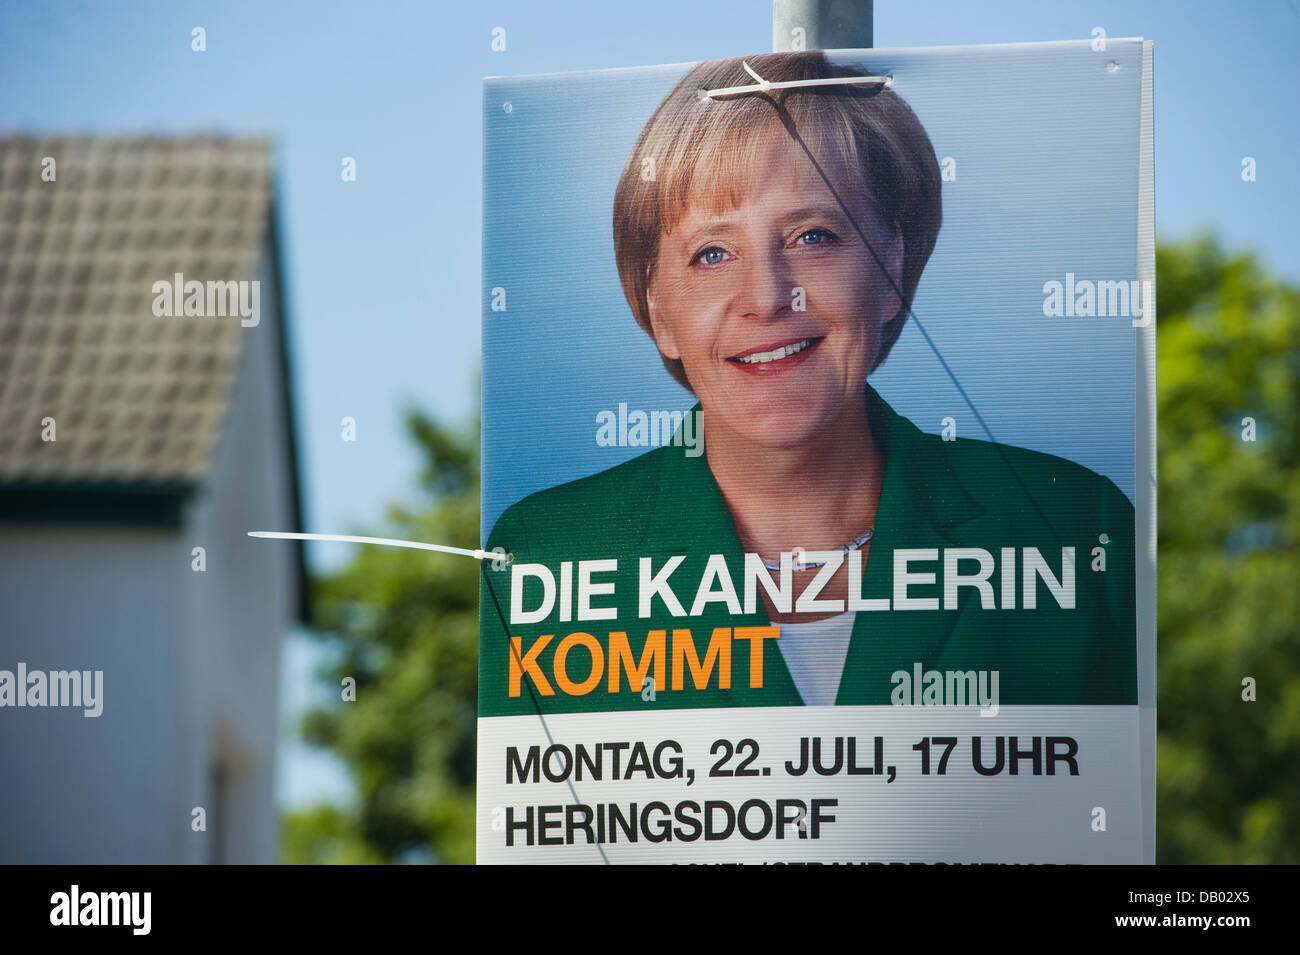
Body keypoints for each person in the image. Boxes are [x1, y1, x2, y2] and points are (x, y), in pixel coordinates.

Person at [480, 52, 1135, 715]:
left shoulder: (1072, 525)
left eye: (813, 237)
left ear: (890, 267)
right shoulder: (545, 554)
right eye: (712, 254)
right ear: (659, 311)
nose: (767, 298)